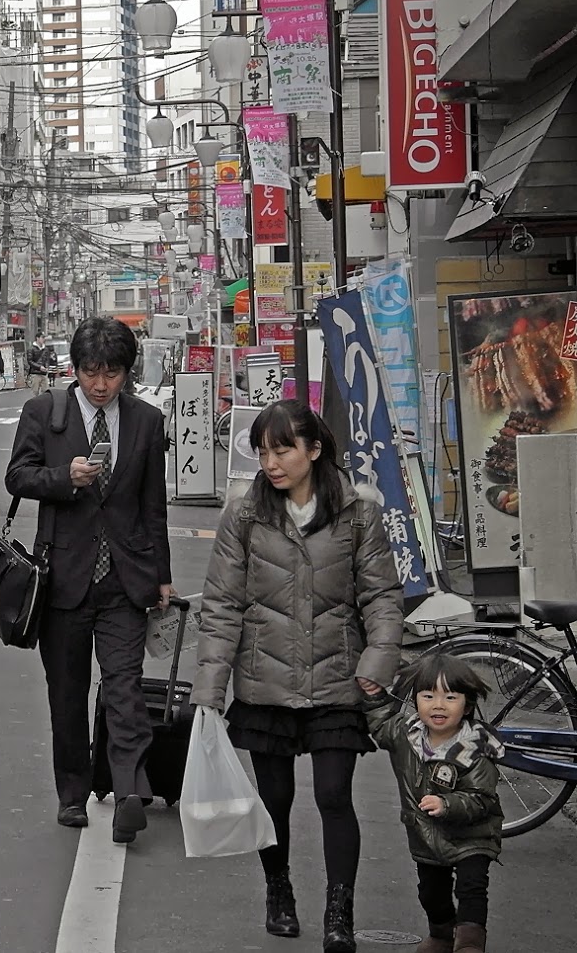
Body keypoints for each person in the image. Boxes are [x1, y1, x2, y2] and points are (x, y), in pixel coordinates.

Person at [193, 399, 404, 952]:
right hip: (266, 675)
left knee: (334, 794)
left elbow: (381, 596)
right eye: (263, 450)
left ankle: (340, 911)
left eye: (283, 448)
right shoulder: (244, 514)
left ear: (314, 449)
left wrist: (378, 660)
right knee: (276, 797)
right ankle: (279, 890)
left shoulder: (360, 512)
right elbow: (222, 604)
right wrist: (210, 688)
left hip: (338, 672)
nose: (271, 462)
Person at [4, 316, 175, 843]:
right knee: (68, 692)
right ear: (75, 369)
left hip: (124, 578)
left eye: (112, 373)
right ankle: (72, 794)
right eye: (91, 373)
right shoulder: (44, 413)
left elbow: (153, 505)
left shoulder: (146, 421)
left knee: (124, 685)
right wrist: (64, 479)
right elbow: (17, 476)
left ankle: (128, 788)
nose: (101, 385)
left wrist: (161, 576)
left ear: (127, 373)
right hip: (63, 578)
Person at [361, 654, 502, 953]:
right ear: (415, 700)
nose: (438, 705)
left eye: (450, 697)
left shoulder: (474, 746)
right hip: (426, 837)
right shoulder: (406, 733)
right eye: (428, 696)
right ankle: (441, 935)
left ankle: (470, 943)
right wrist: (373, 694)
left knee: (472, 888)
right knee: (431, 894)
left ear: (467, 704)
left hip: (473, 836)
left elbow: (482, 797)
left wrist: (448, 804)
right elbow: (381, 723)